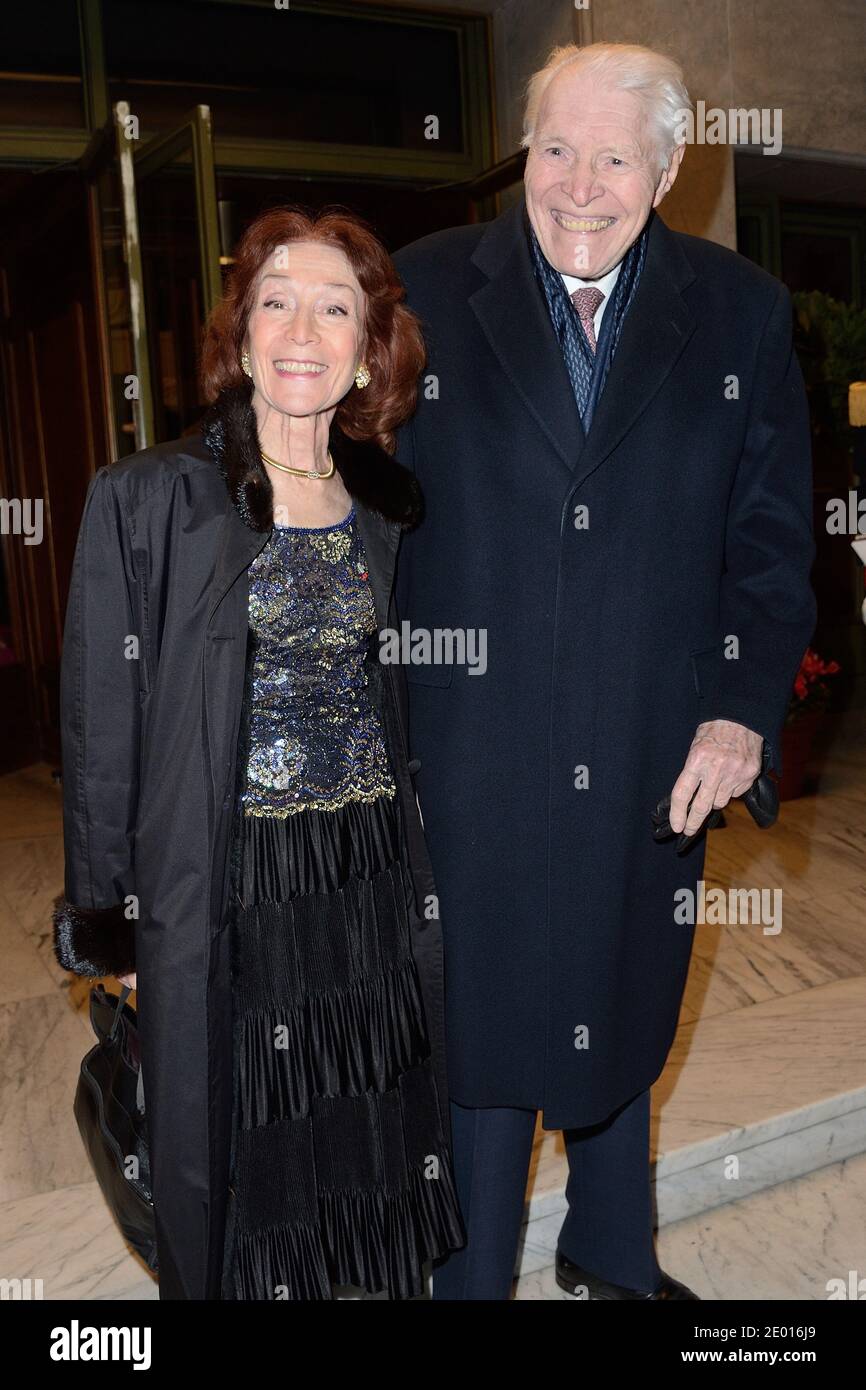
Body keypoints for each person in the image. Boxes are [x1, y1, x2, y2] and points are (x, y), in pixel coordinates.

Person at [392, 42, 817, 1300]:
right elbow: (354, 507)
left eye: (614, 156)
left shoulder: (738, 310)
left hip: (650, 741)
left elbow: (770, 538)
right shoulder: (422, 289)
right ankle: (466, 1281)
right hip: (468, 744)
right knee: (481, 1028)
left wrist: (740, 711)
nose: (579, 186)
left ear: (669, 169)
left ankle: (609, 1254)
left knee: (624, 995)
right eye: (555, 150)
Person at [52, 206, 464, 1300]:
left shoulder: (387, 511)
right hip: (223, 883)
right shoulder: (150, 499)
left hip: (365, 878)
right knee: (237, 1150)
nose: (300, 328)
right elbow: (101, 735)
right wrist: (113, 920)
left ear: (370, 350)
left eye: (335, 307)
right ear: (238, 339)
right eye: (274, 299)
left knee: (363, 1124)